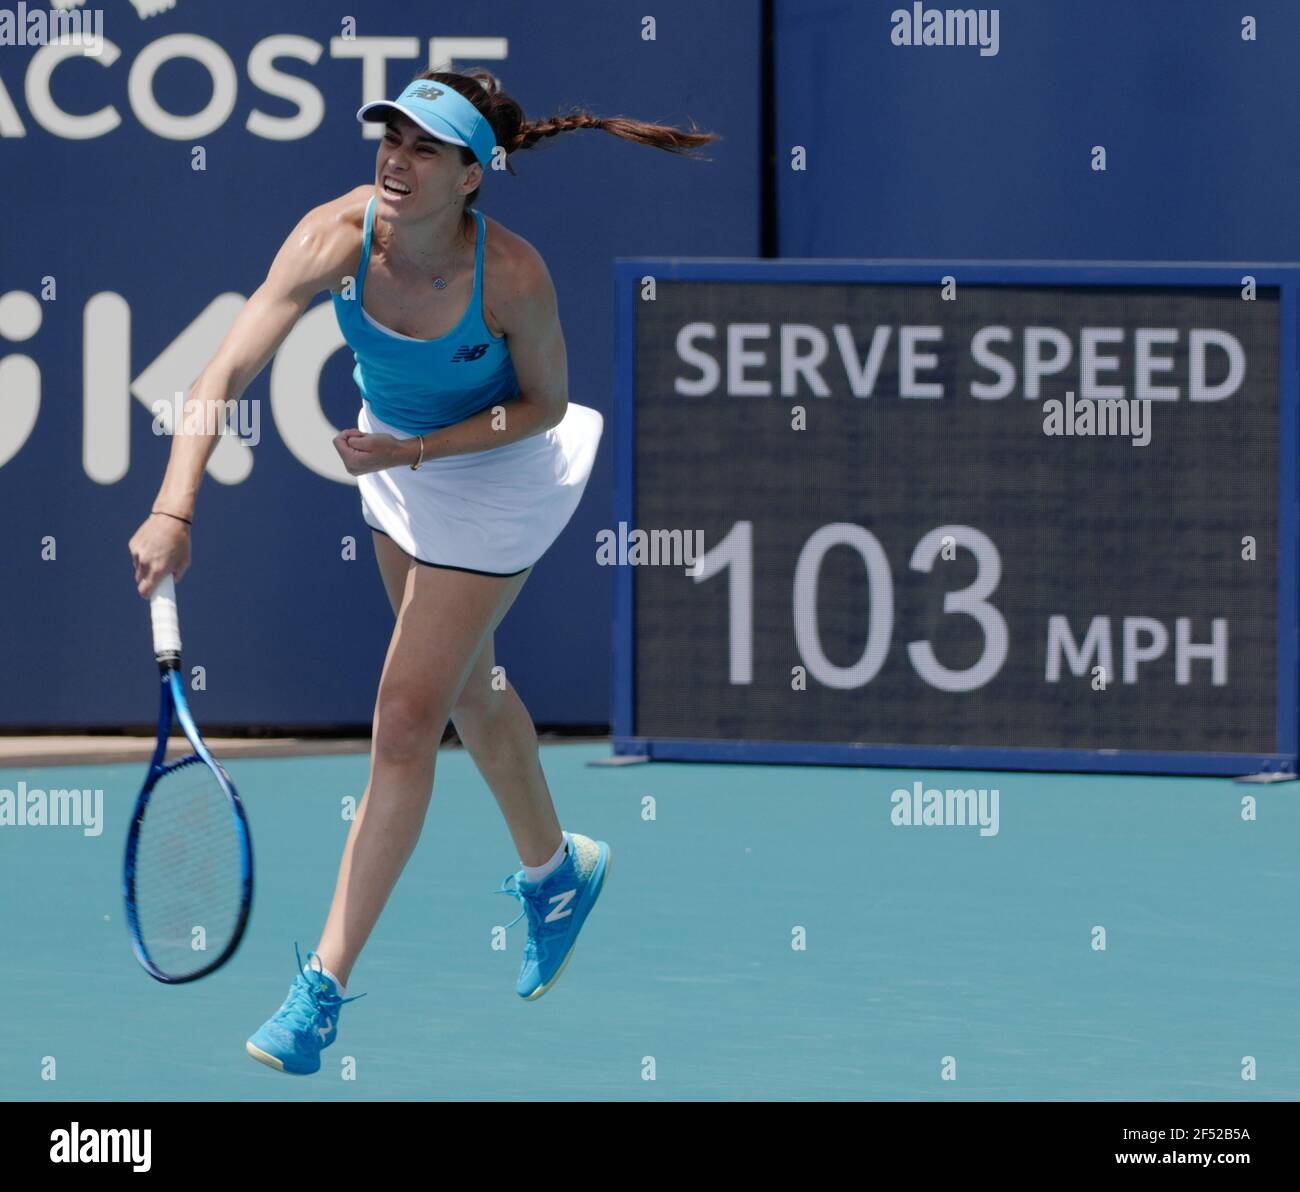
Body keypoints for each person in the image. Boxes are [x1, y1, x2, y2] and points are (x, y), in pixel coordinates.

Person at [127, 67, 718, 1075]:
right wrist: (175, 504)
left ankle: (318, 990)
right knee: (471, 689)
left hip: (493, 473)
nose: (396, 160)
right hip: (395, 459)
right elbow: (222, 370)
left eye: (425, 148)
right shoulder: (335, 235)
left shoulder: (512, 276)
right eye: (389, 139)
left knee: (406, 718)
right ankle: (555, 871)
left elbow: (541, 403)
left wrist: (421, 453)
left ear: (473, 175)